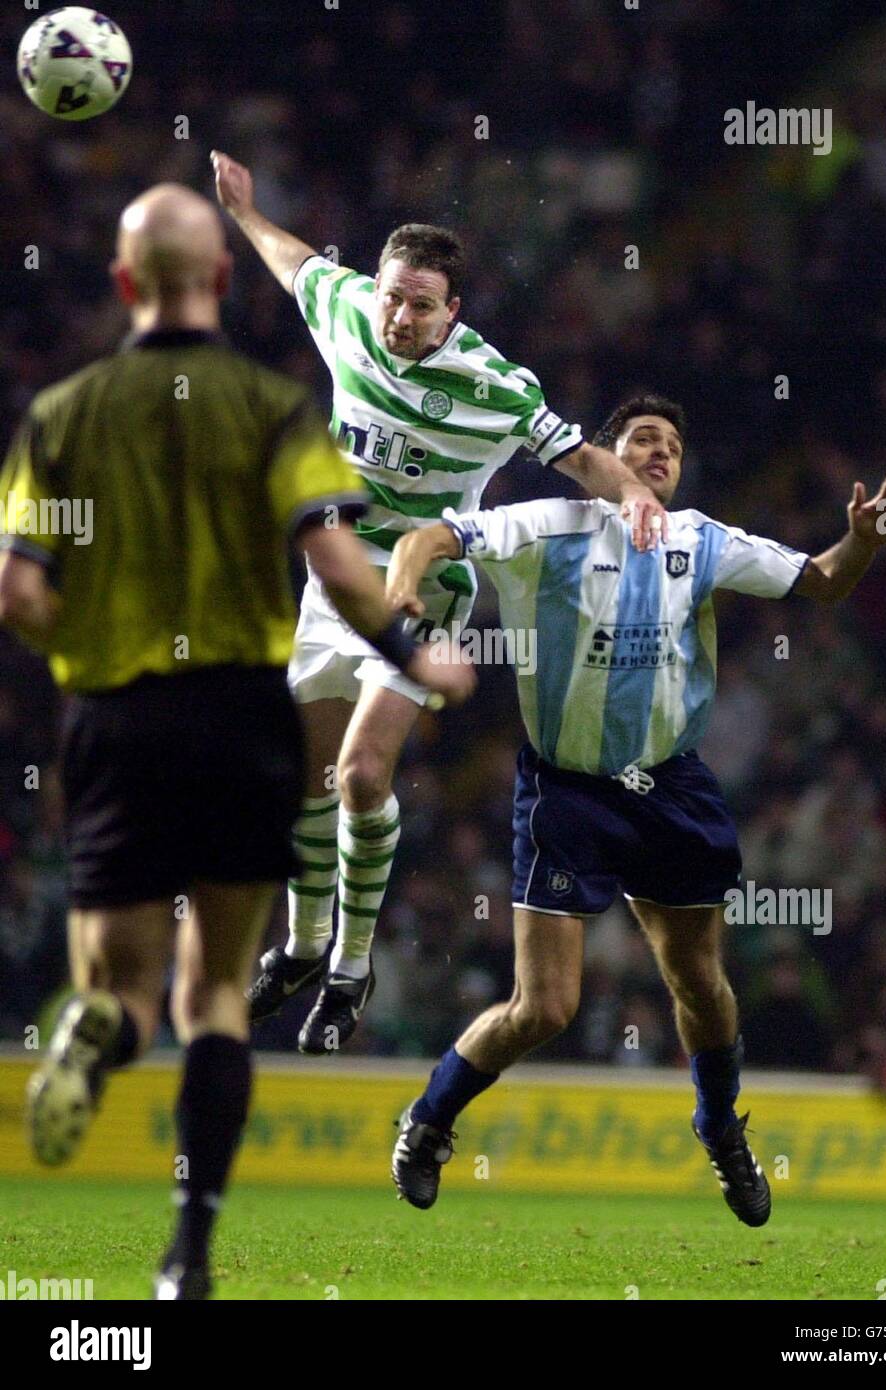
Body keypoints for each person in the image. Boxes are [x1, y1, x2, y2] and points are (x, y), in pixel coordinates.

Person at [0, 183, 471, 1299]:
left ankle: (97, 1035)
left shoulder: (60, 413)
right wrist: (415, 651)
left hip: (116, 715)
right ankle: (188, 1251)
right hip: (240, 715)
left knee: (117, 983)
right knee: (214, 994)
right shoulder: (272, 408)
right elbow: (339, 569)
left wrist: (92, 661)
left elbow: (19, 594)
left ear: (122, 286)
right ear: (219, 283)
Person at [384, 392, 886, 1225]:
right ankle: (428, 1121)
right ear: (602, 457)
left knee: (699, 982)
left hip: (670, 786)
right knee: (545, 1008)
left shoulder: (700, 539)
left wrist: (864, 542)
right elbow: (432, 536)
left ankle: (719, 1127)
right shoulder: (546, 525)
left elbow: (824, 581)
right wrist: (404, 587)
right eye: (641, 440)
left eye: (671, 442)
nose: (660, 453)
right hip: (568, 791)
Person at [209, 150, 667, 1053]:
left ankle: (349, 966)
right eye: (392, 295)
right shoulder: (346, 312)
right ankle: (300, 948)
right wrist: (243, 212)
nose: (399, 315)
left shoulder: (496, 386)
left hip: (427, 587)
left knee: (364, 775)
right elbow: (297, 263)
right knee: (305, 778)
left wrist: (637, 496)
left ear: (452, 312)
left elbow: (578, 456)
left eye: (421, 304)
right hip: (334, 578)